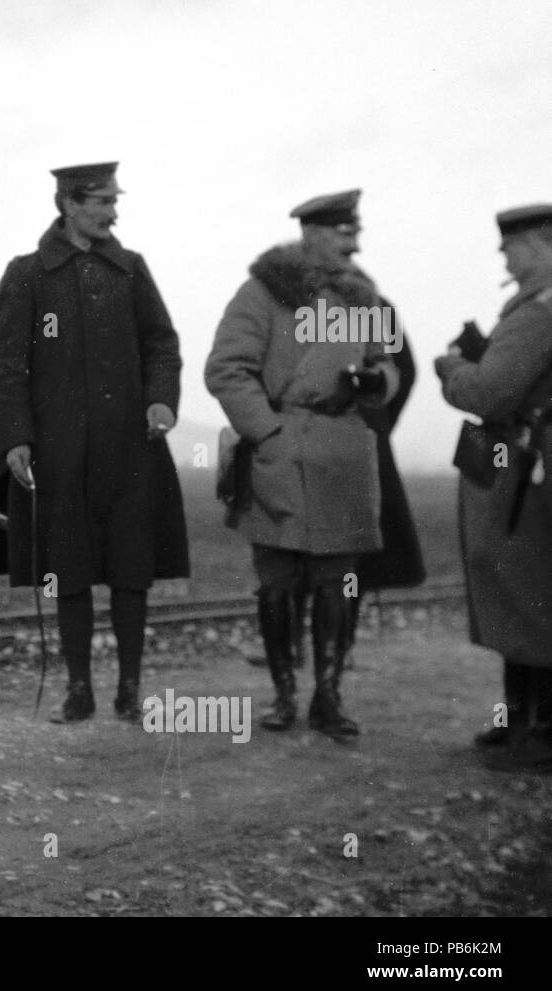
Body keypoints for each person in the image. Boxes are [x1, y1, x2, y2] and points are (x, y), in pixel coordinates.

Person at [0, 162, 188, 724]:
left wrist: (161, 400)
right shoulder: (26, 275)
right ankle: (79, 689)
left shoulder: (130, 271)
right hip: (59, 453)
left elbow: (162, 345)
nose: (113, 212)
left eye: (113, 201)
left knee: (131, 567)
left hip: (131, 447)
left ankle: (130, 689)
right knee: (67, 569)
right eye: (102, 201)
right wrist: (16, 438)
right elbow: (5, 366)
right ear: (70, 204)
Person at [206, 189, 399, 737]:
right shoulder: (264, 292)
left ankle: (329, 698)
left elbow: (388, 365)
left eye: (356, 232)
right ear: (312, 234)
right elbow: (226, 368)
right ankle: (284, 696)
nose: (354, 244)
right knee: (278, 582)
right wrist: (267, 432)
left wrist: (376, 383)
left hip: (343, 452)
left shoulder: (365, 297)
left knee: (338, 582)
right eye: (344, 233)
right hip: (280, 456)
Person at [436, 204, 552, 768]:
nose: (503, 256)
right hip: (533, 464)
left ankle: (536, 733)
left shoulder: (537, 313)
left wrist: (452, 368)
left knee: (523, 589)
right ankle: (521, 723)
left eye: (510, 245)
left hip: (527, 472)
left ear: (537, 242)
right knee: (525, 588)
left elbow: (490, 394)